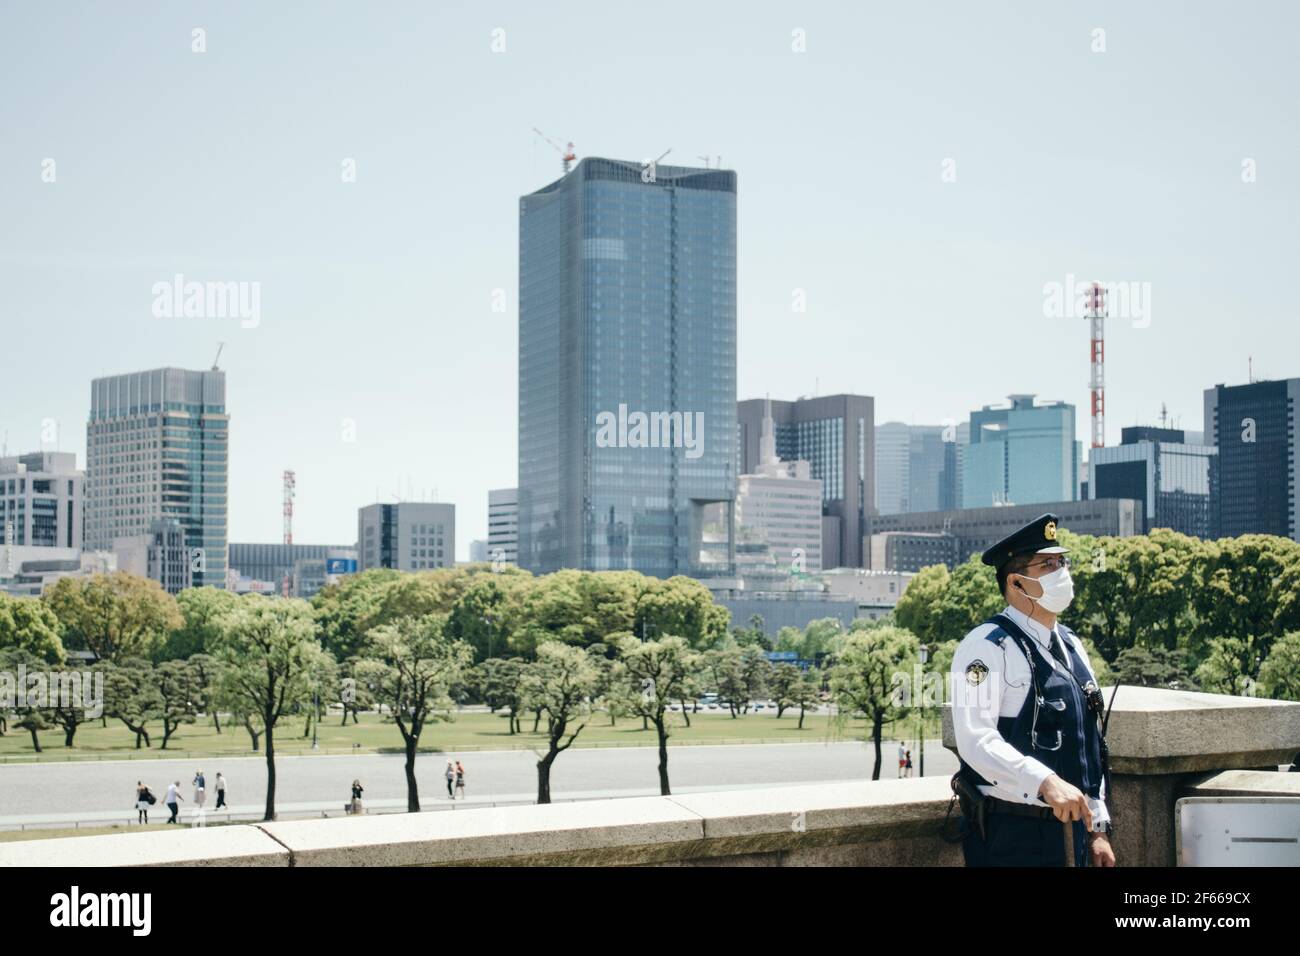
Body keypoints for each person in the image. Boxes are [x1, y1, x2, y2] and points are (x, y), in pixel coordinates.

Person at [950, 513, 1116, 868]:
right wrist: (1043, 780)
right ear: (1016, 582)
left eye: (1061, 562)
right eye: (1047, 565)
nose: (1062, 573)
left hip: (1075, 839)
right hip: (1013, 835)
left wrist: (1098, 826)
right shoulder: (987, 647)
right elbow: (975, 738)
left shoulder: (1072, 644)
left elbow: (1088, 745)